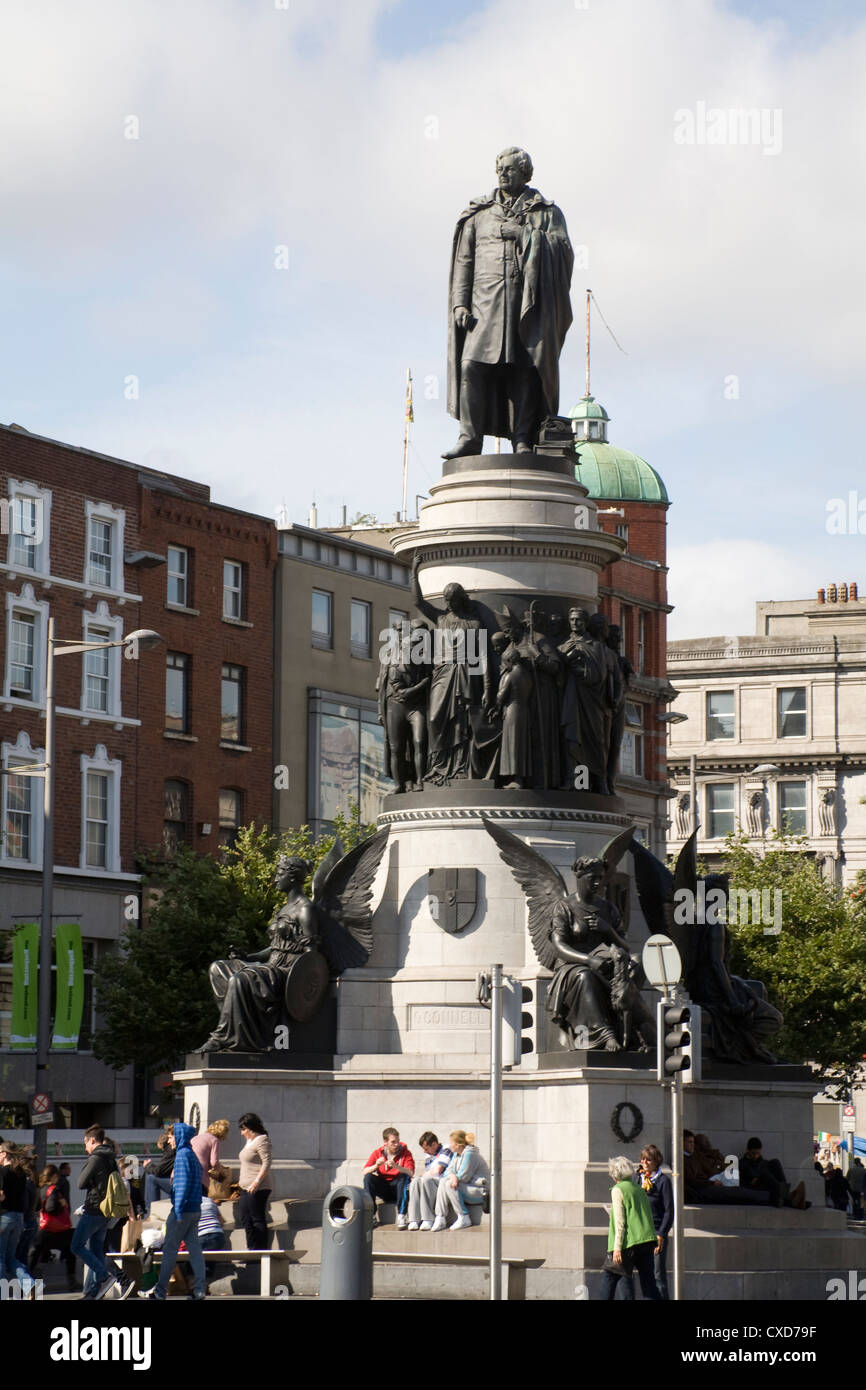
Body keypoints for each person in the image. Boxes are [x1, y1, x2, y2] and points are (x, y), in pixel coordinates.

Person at [444, 146, 574, 458]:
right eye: (500, 169)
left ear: (526, 174)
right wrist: (460, 304)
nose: (503, 175)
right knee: (471, 367)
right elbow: (464, 261)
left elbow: (563, 252)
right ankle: (470, 438)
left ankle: (523, 440)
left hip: (527, 307)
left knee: (524, 370)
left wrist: (524, 234)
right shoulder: (479, 214)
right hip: (484, 307)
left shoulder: (546, 213)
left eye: (511, 169)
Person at [139, 1123, 206, 1301]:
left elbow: (182, 1186)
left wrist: (176, 1211)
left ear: (179, 1136)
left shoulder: (182, 1156)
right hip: (194, 1209)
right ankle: (199, 1290)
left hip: (182, 1211)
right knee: (194, 1249)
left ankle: (160, 1291)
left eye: (171, 1136)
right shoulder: (192, 1154)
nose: (169, 1140)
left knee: (170, 1249)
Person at [71, 1124, 134, 1300]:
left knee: (76, 1245)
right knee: (97, 1248)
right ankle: (93, 1292)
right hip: (107, 1212)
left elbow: (80, 1183)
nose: (85, 1147)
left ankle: (105, 1276)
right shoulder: (111, 1158)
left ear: (92, 1140)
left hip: (94, 1209)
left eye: (86, 1142)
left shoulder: (96, 1158)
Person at [600, 1156, 661, 1301]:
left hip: (628, 1242)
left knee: (609, 1277)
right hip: (646, 1240)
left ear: (615, 1175)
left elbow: (620, 1222)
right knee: (649, 1285)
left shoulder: (618, 1190)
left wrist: (616, 1248)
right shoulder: (639, 1189)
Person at [682, 1131, 768, 1207]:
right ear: (682, 1143)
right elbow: (692, 1181)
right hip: (703, 1189)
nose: (692, 1145)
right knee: (736, 1192)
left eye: (693, 1142)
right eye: (690, 1142)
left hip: (710, 1184)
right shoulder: (684, 1159)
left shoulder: (693, 1157)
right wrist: (712, 1182)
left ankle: (769, 1196)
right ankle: (769, 1197)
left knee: (737, 1191)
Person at [29, 1165, 77, 1290]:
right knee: (70, 1252)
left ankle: (28, 1278)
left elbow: (38, 1207)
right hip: (58, 1229)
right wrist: (62, 1204)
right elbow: (51, 1208)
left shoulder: (41, 1189)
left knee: (35, 1253)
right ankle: (72, 1281)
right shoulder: (54, 1189)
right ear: (55, 1176)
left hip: (45, 1228)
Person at [431, 1131, 489, 1231]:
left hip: (480, 1191)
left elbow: (463, 1177)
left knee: (450, 1184)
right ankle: (440, 1217)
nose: (449, 1145)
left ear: (457, 1144)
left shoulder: (470, 1154)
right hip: (467, 1187)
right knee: (443, 1181)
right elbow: (447, 1171)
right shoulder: (456, 1155)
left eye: (451, 1143)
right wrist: (453, 1175)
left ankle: (464, 1216)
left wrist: (453, 1176)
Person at [636, 1145, 673, 1299]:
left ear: (656, 1161)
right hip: (640, 1234)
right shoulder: (637, 1178)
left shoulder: (663, 1181)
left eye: (648, 1159)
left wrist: (661, 1234)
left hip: (656, 1233)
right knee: (645, 1275)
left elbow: (669, 1211)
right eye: (643, 1159)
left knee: (658, 1275)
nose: (644, 1162)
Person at [0, 1144, 36, 1297]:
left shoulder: (2, 1171)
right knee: (11, 1258)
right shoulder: (20, 1173)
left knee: (0, 1258)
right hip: (18, 1218)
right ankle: (30, 1283)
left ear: (5, 1154)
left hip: (4, 1217)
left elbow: (1, 1195)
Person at [363, 1127, 415, 1228]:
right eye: (393, 1142)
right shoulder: (377, 1153)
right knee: (368, 1177)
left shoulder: (406, 1153)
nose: (396, 1145)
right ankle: (371, 1215)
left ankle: (401, 1215)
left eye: (398, 1141)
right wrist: (376, 1166)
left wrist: (397, 1166)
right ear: (385, 1142)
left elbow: (411, 1172)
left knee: (404, 1176)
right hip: (384, 1188)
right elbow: (364, 1171)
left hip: (398, 1188)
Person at [740, 1137, 807, 1209]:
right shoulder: (742, 1163)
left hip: (768, 1184)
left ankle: (786, 1195)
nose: (756, 1156)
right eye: (753, 1153)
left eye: (758, 1153)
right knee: (763, 1174)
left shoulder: (763, 1162)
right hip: (754, 1187)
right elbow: (743, 1181)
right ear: (747, 1150)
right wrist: (752, 1179)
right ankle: (789, 1196)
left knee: (775, 1162)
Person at [237, 1112, 272, 1249]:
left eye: (244, 1129)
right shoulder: (249, 1141)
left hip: (258, 1187)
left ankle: (260, 1251)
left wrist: (256, 1182)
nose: (242, 1133)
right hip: (245, 1186)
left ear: (251, 1128)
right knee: (246, 1220)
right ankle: (251, 1250)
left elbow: (267, 1162)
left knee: (257, 1219)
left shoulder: (262, 1140)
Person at [407, 1132, 453, 1231]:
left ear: (434, 1144)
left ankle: (428, 1218)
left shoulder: (446, 1149)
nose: (424, 1151)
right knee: (415, 1181)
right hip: (430, 1181)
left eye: (426, 1148)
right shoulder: (428, 1156)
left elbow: (438, 1170)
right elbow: (429, 1172)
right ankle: (414, 1219)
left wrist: (424, 1175)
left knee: (425, 1179)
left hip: (442, 1183)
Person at [191, 1119, 230, 1195]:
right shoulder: (214, 1140)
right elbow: (214, 1162)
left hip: (189, 1171)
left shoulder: (197, 1137)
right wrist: (221, 1172)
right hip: (200, 1174)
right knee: (202, 1199)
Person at [142, 1130, 175, 1214]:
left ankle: (151, 1209)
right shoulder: (172, 1150)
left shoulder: (170, 1150)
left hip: (177, 1184)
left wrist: (148, 1166)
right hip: (176, 1181)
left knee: (151, 1178)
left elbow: (159, 1171)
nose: (169, 1141)